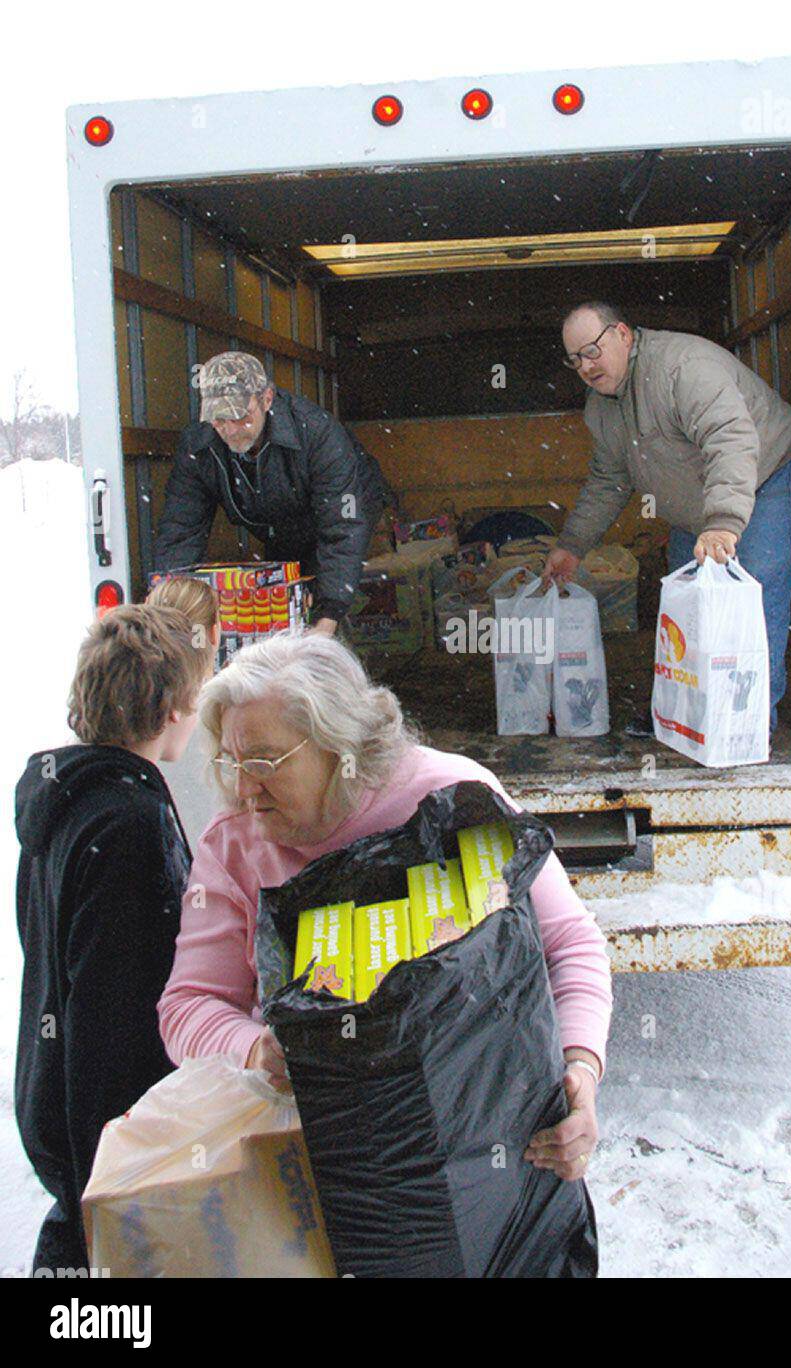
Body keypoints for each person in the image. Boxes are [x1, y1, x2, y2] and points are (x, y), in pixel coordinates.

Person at [158, 632, 613, 1184]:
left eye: (264, 761)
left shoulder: (454, 797)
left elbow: (571, 943)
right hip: (325, 1161)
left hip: (483, 1144)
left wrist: (580, 1070)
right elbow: (189, 1004)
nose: (243, 787)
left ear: (339, 744)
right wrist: (254, 1049)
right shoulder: (232, 843)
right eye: (230, 762)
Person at [14, 603, 213, 1274]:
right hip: (101, 1123)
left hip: (53, 1096)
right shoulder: (129, 822)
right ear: (170, 708)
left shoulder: (65, 800)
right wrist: (125, 1157)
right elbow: (115, 1011)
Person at [543, 302, 791, 733]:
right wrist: (572, 546)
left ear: (624, 334)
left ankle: (747, 725)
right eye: (575, 359)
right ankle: (686, 715)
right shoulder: (602, 407)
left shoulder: (682, 369)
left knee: (749, 601)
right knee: (686, 608)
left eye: (592, 350)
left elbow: (730, 439)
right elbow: (608, 480)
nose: (586, 366)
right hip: (699, 507)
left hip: (767, 478)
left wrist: (723, 522)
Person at [153, 351, 389, 637]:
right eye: (218, 418)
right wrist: (169, 610)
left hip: (347, 503)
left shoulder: (318, 434)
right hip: (277, 520)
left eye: (240, 415)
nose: (229, 428)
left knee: (325, 611)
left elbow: (343, 527)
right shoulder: (200, 447)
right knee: (283, 591)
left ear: (266, 399)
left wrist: (329, 615)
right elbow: (181, 527)